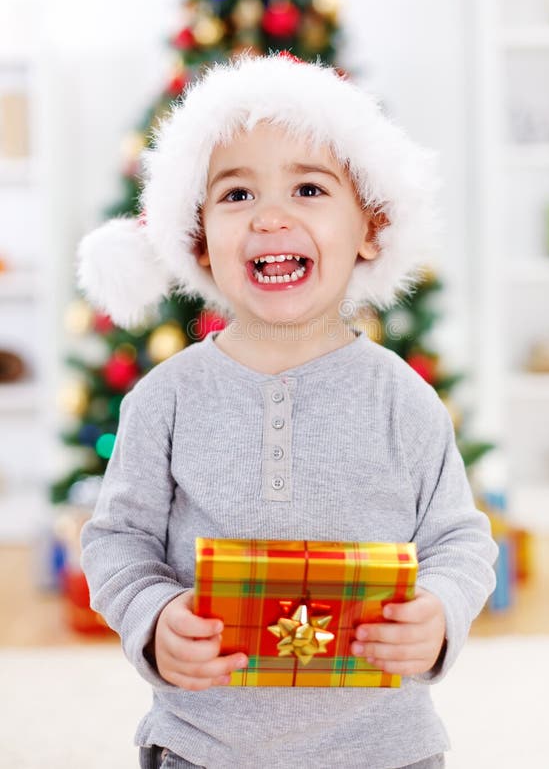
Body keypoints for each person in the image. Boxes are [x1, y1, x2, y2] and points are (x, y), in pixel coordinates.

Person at [77, 53, 498, 769]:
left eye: (308, 189)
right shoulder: (165, 399)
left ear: (370, 228)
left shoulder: (402, 398)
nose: (270, 217)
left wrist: (438, 611)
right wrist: (154, 616)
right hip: (204, 746)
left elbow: (459, 539)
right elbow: (118, 540)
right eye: (237, 194)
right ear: (199, 241)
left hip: (384, 748)